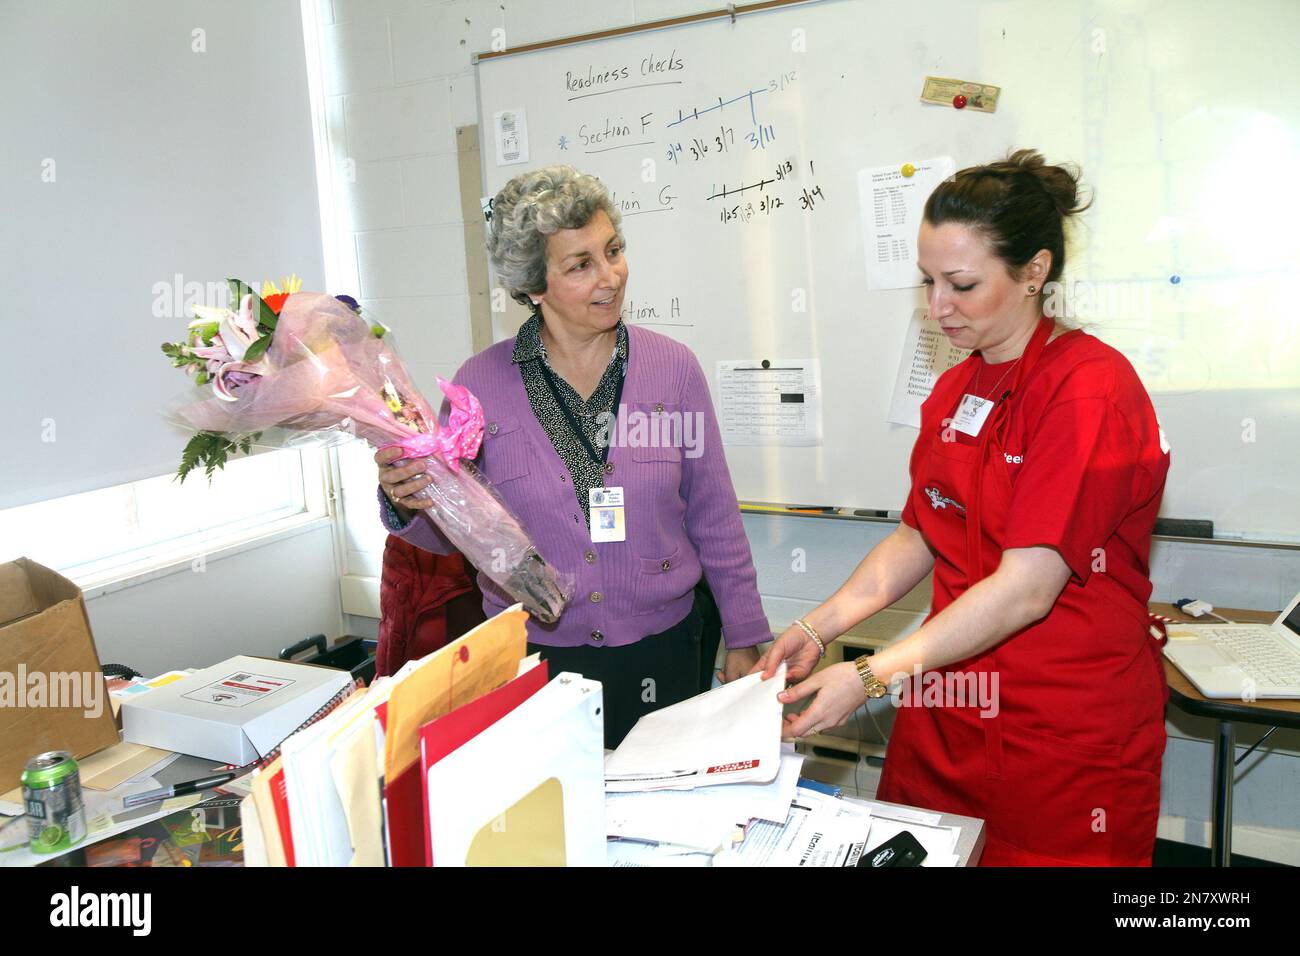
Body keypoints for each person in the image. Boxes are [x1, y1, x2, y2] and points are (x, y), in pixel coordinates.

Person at [755, 150, 1171, 866]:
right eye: (928, 283)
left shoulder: (1089, 390)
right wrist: (815, 626)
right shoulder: (958, 390)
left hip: (1061, 733)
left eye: (963, 284)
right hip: (947, 711)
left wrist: (868, 676)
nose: (937, 306)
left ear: (1034, 272)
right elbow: (921, 533)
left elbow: (1027, 588)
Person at [377, 164, 768, 746]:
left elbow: (714, 516)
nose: (610, 277)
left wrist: (745, 635)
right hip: (537, 660)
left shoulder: (673, 369)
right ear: (534, 285)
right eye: (580, 265)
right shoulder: (480, 384)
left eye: (613, 251)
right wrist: (404, 497)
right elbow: (455, 533)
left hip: (665, 651)